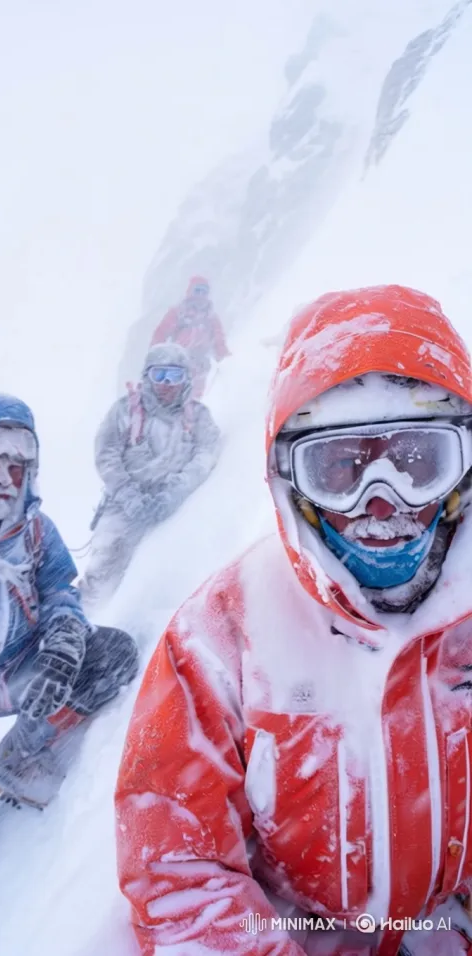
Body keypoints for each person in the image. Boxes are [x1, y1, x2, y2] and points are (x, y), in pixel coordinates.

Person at [115, 285, 472, 956]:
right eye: (340, 469)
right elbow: (176, 870)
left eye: (419, 461)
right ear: (290, 483)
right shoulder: (220, 639)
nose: (381, 503)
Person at [0, 390, 138, 953]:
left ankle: (25, 754)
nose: (3, 478)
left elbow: (58, 594)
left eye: (15, 466)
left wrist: (63, 647)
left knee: (110, 656)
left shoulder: (37, 530)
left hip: (16, 672)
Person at [80, 343, 221, 609]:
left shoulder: (198, 416)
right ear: (146, 376)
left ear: (186, 379)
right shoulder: (124, 411)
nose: (167, 384)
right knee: (105, 559)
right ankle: (89, 615)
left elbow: (206, 455)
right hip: (124, 505)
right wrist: (129, 496)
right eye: (159, 375)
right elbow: (106, 455)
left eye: (174, 376)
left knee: (175, 567)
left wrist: (174, 493)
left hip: (172, 503)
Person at [151, 276, 231, 399]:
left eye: (204, 291)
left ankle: (192, 415)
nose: (200, 295)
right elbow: (160, 334)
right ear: (190, 292)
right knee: (174, 397)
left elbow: (219, 342)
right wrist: (156, 357)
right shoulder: (178, 312)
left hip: (200, 366)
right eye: (197, 290)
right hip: (178, 364)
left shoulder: (211, 318)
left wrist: (227, 362)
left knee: (194, 400)